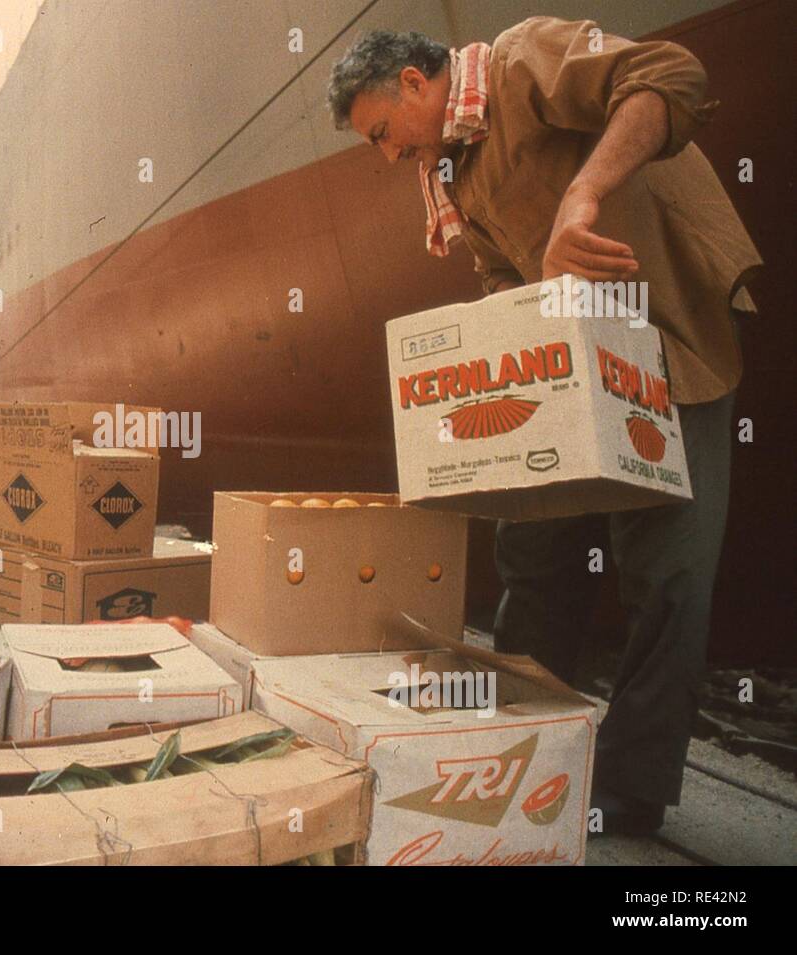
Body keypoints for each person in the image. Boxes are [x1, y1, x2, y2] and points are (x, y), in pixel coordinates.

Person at [327, 17, 762, 835]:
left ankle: (631, 787)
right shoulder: (449, 168)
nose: (387, 155)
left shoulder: (523, 62)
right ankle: (522, 737)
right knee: (530, 544)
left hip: (675, 330)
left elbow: (672, 74)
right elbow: (504, 270)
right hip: (582, 359)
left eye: (383, 132)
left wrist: (584, 193)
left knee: (666, 565)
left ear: (416, 85)